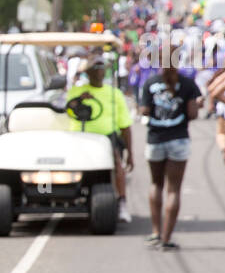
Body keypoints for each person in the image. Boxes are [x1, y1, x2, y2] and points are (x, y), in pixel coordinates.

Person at [139, 47, 201, 249]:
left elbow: (144, 110)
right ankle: (166, 238)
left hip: (155, 139)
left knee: (156, 184)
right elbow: (192, 114)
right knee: (174, 189)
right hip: (179, 139)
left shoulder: (150, 83)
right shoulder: (188, 84)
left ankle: (156, 231)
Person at [65, 55, 135, 223]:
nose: (97, 73)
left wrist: (130, 153)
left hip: (106, 137)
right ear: (87, 73)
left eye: (100, 69)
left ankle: (122, 202)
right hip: (80, 136)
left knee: (117, 162)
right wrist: (80, 100)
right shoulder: (77, 91)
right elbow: (68, 109)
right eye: (93, 70)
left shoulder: (114, 94)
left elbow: (125, 125)